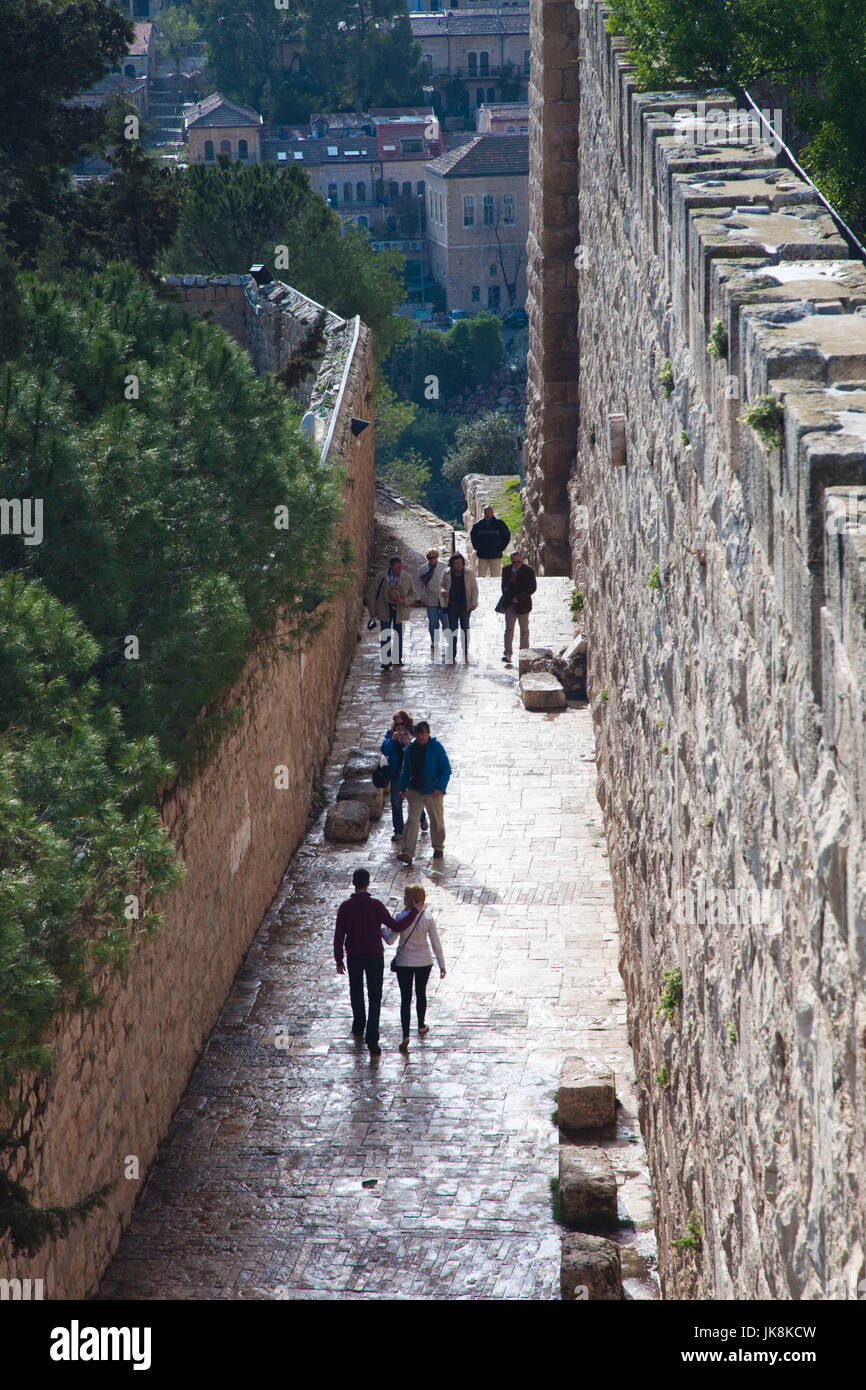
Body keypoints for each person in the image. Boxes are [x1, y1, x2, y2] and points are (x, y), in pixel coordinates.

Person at [333, 867, 401, 1057]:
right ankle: (373, 1038)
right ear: (368, 883)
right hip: (374, 956)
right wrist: (412, 914)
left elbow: (339, 936)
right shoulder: (376, 905)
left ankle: (359, 1024)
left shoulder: (345, 907)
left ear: (353, 883)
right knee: (375, 996)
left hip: (354, 955)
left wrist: (339, 960)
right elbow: (394, 925)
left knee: (356, 991)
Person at [383, 884, 446, 1052]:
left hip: (404, 962)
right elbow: (435, 943)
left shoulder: (400, 916)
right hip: (424, 962)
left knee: (405, 998)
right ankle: (421, 1024)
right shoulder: (428, 918)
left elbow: (390, 940)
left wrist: (382, 929)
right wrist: (442, 964)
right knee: (421, 993)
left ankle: (405, 1035)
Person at [398, 721, 451, 866]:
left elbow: (446, 768)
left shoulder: (436, 747)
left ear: (428, 733)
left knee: (436, 819)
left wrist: (440, 787)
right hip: (414, 790)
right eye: (418, 733)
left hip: (433, 791)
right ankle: (407, 852)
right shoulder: (410, 749)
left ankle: (438, 846)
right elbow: (405, 769)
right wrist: (402, 787)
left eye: (423, 733)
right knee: (412, 821)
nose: (421, 736)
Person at [381, 710, 427, 842]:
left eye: (402, 724)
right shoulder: (391, 734)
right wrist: (393, 740)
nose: (400, 727)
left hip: (412, 773)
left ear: (407, 723)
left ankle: (422, 817)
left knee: (414, 800)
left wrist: (408, 744)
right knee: (396, 802)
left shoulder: (414, 734)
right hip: (397, 773)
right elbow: (384, 749)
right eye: (397, 724)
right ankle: (399, 831)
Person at [367, 555, 415, 669]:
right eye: (398, 567)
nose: (400, 569)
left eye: (401, 567)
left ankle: (397, 658)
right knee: (385, 634)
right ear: (391, 566)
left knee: (399, 634)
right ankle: (386, 660)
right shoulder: (381, 577)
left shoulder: (407, 577)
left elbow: (413, 594)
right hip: (385, 609)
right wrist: (372, 612)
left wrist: (405, 601)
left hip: (400, 610)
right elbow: (372, 594)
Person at [440, 552, 478, 664]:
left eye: (460, 563)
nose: (457, 565)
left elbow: (474, 588)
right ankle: (453, 652)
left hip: (465, 606)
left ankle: (465, 649)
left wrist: (474, 602)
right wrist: (442, 591)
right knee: (453, 629)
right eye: (455, 563)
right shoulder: (446, 573)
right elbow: (441, 585)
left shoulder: (469, 573)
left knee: (465, 628)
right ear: (451, 564)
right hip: (451, 605)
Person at [500, 550, 537, 665]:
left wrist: (519, 598)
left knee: (524, 630)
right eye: (514, 562)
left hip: (523, 605)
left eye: (519, 562)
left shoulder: (529, 571)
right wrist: (509, 599)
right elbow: (503, 586)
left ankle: (524, 654)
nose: (516, 564)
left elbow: (532, 588)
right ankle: (507, 654)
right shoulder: (506, 570)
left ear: (522, 560)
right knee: (509, 629)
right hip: (510, 605)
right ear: (511, 561)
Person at [416, 548, 447, 656]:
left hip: (443, 598)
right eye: (430, 558)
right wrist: (418, 597)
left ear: (437, 557)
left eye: (434, 558)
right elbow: (419, 583)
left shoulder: (444, 566)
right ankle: (434, 640)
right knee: (433, 621)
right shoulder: (423, 569)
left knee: (445, 620)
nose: (432, 560)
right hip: (430, 598)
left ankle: (448, 639)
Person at [470, 504, 511, 577]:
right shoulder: (478, 525)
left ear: (493, 512)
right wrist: (477, 548)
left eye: (489, 511)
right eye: (486, 512)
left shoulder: (500, 524)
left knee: (496, 576)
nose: (487, 513)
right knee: (481, 576)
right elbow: (473, 537)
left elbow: (507, 536)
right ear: (483, 513)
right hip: (482, 555)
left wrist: (501, 548)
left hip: (496, 555)